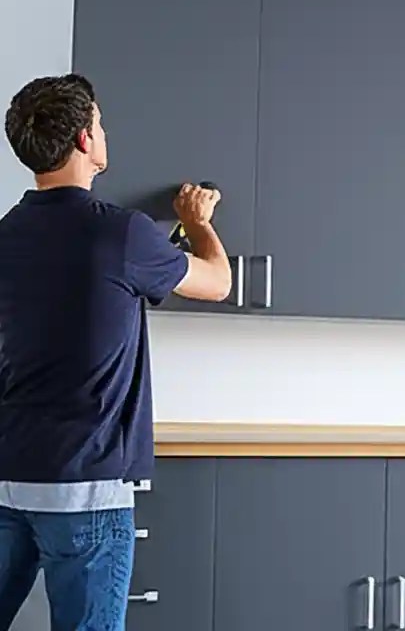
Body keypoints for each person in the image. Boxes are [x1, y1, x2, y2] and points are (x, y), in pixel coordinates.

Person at [0, 74, 232, 630]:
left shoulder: (5, 234)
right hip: (87, 492)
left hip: (9, 479)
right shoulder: (122, 235)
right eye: (99, 122)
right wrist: (198, 224)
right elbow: (218, 282)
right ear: (85, 140)